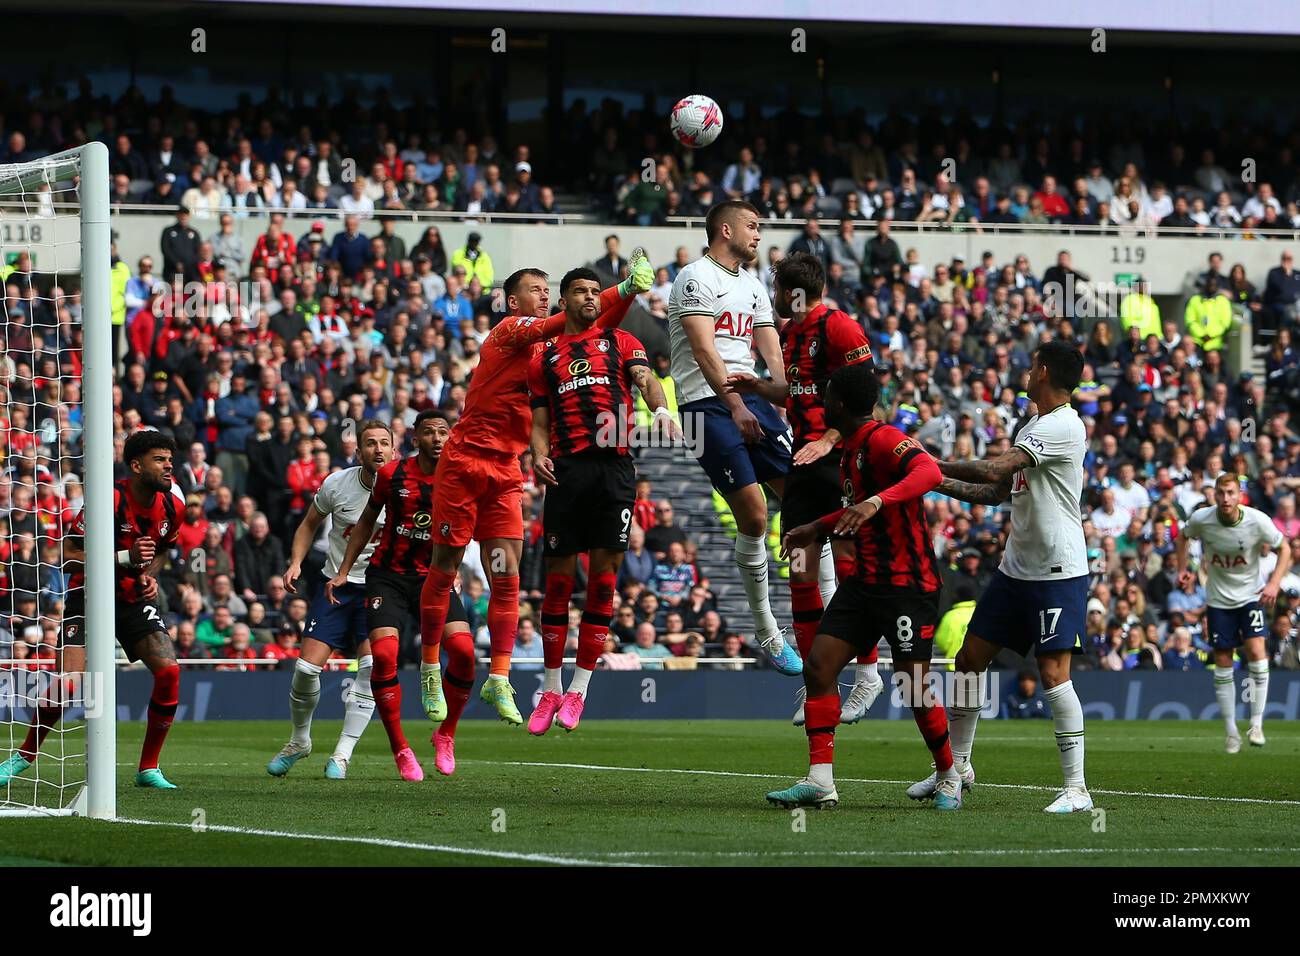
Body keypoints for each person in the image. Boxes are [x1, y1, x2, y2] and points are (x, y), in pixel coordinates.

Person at [417, 255, 652, 727]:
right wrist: (623, 287)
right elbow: (581, 313)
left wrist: (623, 297)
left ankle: (499, 678)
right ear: (512, 300)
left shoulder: (552, 353)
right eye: (537, 290)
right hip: (464, 463)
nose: (544, 296)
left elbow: (594, 326)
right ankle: (428, 668)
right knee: (444, 568)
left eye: (549, 290)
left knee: (508, 578)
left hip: (506, 471)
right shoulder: (508, 332)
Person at [768, 364, 952, 810]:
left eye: (827, 396)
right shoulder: (850, 450)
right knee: (818, 668)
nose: (821, 403)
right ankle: (820, 780)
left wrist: (876, 501)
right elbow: (851, 512)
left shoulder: (885, 438)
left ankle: (948, 775)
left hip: (908, 584)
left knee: (913, 686)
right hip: (865, 585)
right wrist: (815, 527)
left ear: (841, 404)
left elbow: (929, 473)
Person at [920, 340, 1093, 814]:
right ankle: (957, 767)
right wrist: (933, 482)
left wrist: (930, 464)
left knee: (1054, 673)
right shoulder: (1034, 425)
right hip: (1017, 567)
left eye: (1032, 362)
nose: (1027, 367)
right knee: (969, 658)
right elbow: (996, 490)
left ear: (1042, 371)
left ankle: (1077, 788)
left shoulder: (1063, 426)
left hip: (1058, 568)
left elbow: (995, 465)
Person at [726, 251, 883, 725]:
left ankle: (869, 674)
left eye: (776, 290)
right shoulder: (792, 335)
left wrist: (830, 440)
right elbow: (796, 395)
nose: (772, 298)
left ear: (792, 292)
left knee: (854, 574)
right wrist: (754, 387)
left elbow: (865, 402)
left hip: (841, 462)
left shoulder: (840, 329)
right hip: (803, 463)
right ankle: (821, 683)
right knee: (800, 569)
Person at [525, 268, 677, 735]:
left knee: (604, 581)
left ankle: (579, 690)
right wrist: (536, 454)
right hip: (568, 471)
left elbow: (646, 380)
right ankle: (551, 686)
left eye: (595, 292)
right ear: (565, 301)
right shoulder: (544, 354)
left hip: (614, 469)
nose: (590, 298)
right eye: (580, 292)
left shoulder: (620, 339)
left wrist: (662, 410)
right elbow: (538, 418)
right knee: (557, 583)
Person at [1, 432, 185, 789]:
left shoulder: (173, 505)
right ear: (136, 466)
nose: (168, 467)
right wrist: (123, 558)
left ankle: (148, 768)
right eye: (159, 460)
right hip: (88, 597)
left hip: (133, 599)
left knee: (169, 673)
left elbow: (164, 549)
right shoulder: (108, 500)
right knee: (70, 683)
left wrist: (149, 576)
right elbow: (67, 558)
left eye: (170, 461)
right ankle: (23, 756)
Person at [667, 200, 800, 674]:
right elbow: (704, 350)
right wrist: (738, 406)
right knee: (755, 511)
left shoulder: (752, 284)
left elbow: (771, 350)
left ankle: (827, 613)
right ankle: (766, 629)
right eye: (753, 226)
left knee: (804, 499)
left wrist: (790, 400)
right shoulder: (693, 277)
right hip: (704, 406)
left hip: (752, 397)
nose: (759, 235)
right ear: (726, 229)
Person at [326, 411, 473, 779]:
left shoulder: (460, 476)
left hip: (435, 579)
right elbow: (364, 523)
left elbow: (466, 530)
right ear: (414, 439)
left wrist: (453, 570)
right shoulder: (392, 475)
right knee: (385, 655)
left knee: (465, 654)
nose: (438, 438)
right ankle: (401, 749)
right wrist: (344, 570)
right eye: (429, 432)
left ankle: (446, 734)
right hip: (388, 577)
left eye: (444, 432)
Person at [265, 419, 391, 780]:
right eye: (370, 443)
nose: (378, 449)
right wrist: (295, 562)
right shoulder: (337, 484)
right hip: (335, 587)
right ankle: (299, 741)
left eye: (385, 443)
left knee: (368, 670)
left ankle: (342, 754)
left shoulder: (404, 488)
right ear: (358, 450)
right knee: (305, 670)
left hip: (380, 589)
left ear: (394, 450)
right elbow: (308, 524)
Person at [1175, 476, 1289, 752]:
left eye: (1230, 493)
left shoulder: (1257, 520)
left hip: (1250, 597)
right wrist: (1182, 567)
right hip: (1217, 600)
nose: (1225, 499)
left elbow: (1284, 548)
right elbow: (1182, 537)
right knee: (1223, 658)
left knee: (1256, 650)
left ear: (1239, 496)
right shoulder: (1202, 518)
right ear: (1214, 495)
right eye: (1220, 493)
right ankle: (1230, 731)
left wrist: (1273, 582)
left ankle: (1257, 724)